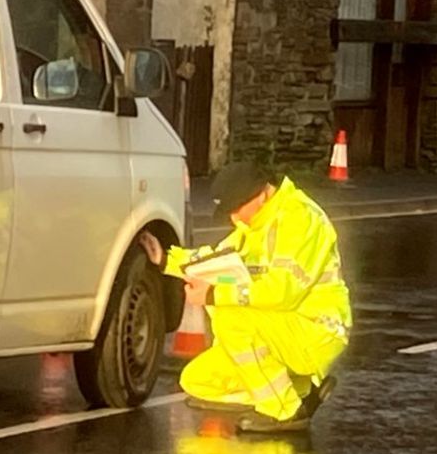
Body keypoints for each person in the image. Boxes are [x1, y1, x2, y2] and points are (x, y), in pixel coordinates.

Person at [139, 161, 352, 433]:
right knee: (197, 382)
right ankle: (299, 391)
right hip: (281, 329)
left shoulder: (299, 218)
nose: (235, 219)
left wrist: (216, 293)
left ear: (262, 193)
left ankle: (284, 410)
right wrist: (166, 260)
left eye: (237, 208)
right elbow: (214, 260)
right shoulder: (254, 226)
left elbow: (281, 291)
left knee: (231, 316)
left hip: (317, 330)